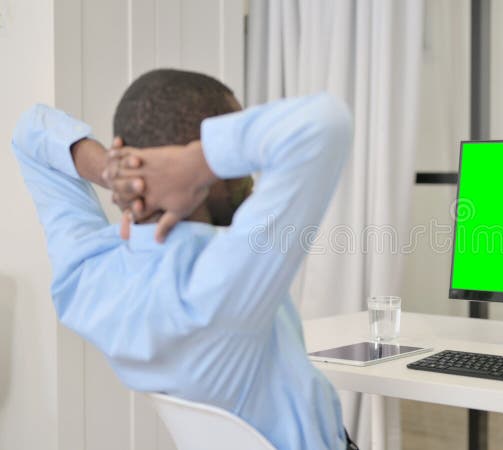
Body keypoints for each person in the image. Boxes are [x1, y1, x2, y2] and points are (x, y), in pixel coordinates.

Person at [12, 69, 357, 450]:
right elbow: (326, 122)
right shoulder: (221, 284)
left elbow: (29, 133)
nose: (251, 177)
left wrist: (119, 173)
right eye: (232, 159)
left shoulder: (87, 279)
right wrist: (199, 162)